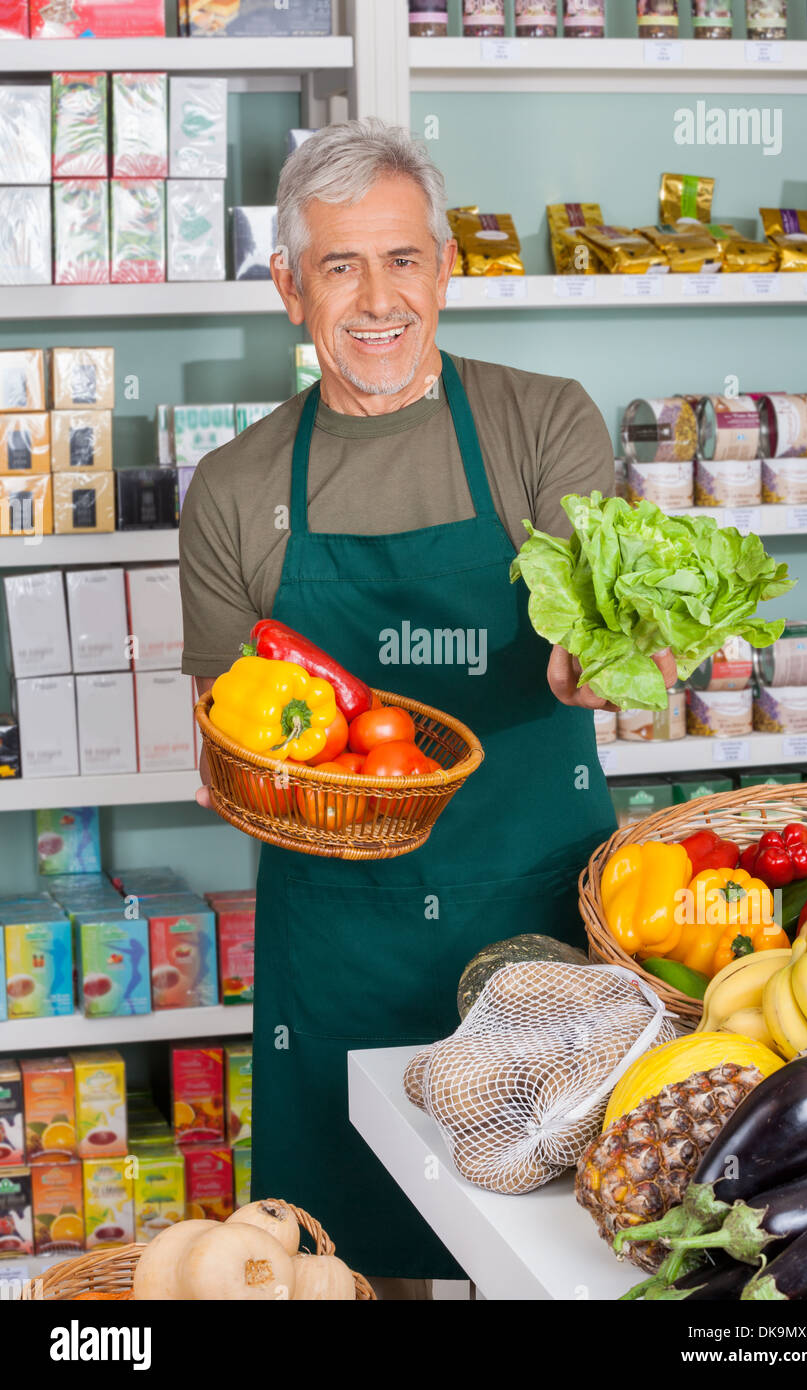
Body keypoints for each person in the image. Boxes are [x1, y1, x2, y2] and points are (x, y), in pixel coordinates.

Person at [179, 118, 675, 1299]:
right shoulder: (238, 488)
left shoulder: (538, 420)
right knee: (350, 1263)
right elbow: (225, 732)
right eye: (340, 265)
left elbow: (591, 629)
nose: (377, 299)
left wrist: (593, 661)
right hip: (340, 930)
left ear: (445, 270)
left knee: (561, 1247)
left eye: (403, 258)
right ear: (288, 286)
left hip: (539, 920)